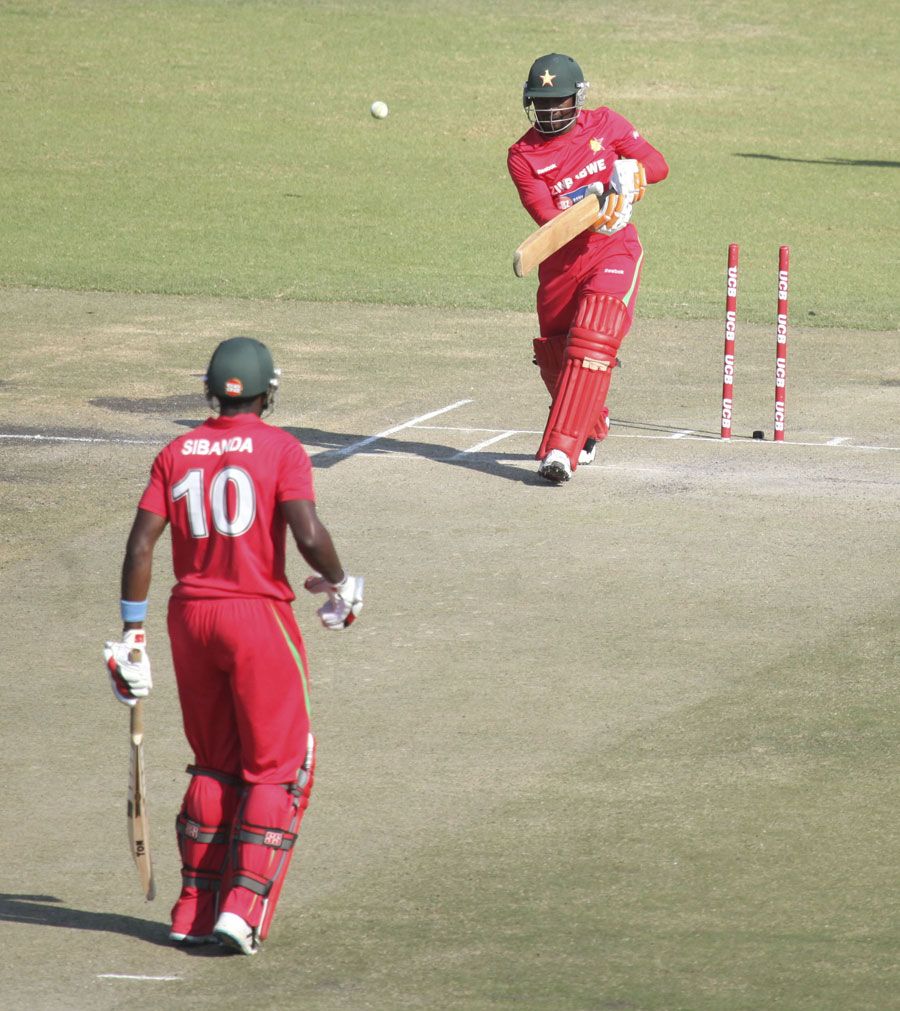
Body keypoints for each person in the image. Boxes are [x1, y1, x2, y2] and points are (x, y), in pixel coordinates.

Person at [103, 336, 363, 955]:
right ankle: (241, 911)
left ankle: (192, 909)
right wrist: (340, 583)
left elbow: (140, 548)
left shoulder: (177, 450)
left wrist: (131, 636)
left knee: (214, 762)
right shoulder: (281, 449)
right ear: (270, 392)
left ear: (209, 390)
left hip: (188, 619)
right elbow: (306, 532)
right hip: (256, 616)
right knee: (279, 766)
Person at [508, 53, 669, 483]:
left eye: (558, 101)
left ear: (576, 99)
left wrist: (632, 176)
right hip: (561, 265)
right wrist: (593, 200)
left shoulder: (606, 125)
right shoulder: (523, 155)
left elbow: (659, 165)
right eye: (541, 103)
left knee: (594, 335)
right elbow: (547, 217)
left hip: (612, 250)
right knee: (557, 358)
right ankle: (591, 428)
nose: (549, 111)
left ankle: (561, 449)